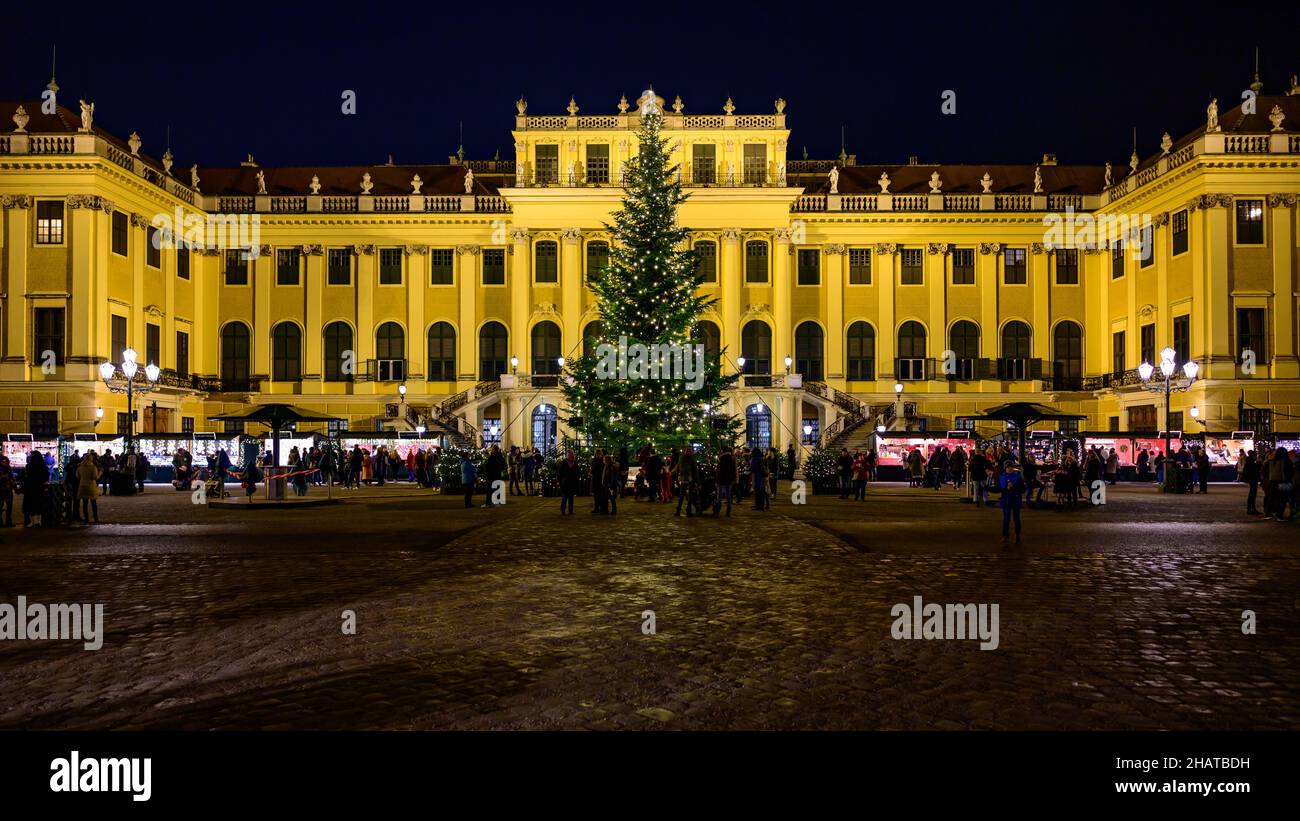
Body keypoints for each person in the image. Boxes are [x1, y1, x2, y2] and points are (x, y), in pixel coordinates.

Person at [998, 460, 1026, 543]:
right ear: (1005, 468)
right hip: (1006, 500)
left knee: (1016, 519)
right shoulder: (1002, 477)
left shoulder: (1017, 477)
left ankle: (1017, 535)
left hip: (1015, 499)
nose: (1009, 469)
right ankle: (1005, 535)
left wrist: (1013, 488)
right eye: (1008, 467)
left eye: (1011, 467)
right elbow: (999, 488)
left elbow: (1023, 489)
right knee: (1006, 519)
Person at [22, 451, 50, 526]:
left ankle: (32, 522)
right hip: (40, 488)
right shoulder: (43, 466)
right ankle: (38, 521)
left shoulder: (29, 466)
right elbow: (46, 478)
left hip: (30, 488)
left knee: (30, 505)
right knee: (39, 504)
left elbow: (27, 477)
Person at [76, 452, 102, 523]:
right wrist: (100, 473)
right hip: (91, 487)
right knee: (93, 503)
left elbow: (77, 476)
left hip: (82, 486)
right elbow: (95, 477)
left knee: (85, 503)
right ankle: (96, 519)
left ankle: (86, 519)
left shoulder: (80, 467)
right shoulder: (93, 467)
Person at [675, 445, 699, 517]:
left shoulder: (681, 458)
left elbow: (677, 468)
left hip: (682, 478)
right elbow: (695, 471)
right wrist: (698, 482)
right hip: (690, 478)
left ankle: (678, 511)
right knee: (690, 495)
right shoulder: (692, 459)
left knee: (681, 495)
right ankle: (688, 511)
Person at [715, 446, 736, 516]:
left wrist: (717, 479)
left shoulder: (721, 458)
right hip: (729, 480)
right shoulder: (732, 458)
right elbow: (733, 470)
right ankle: (728, 511)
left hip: (721, 480)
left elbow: (719, 471)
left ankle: (718, 510)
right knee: (728, 496)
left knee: (719, 496)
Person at [557, 450, 579, 514]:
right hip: (565, 483)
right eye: (570, 455)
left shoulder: (575, 464)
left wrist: (576, 480)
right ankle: (563, 510)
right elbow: (560, 473)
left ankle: (570, 510)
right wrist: (559, 481)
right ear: (567, 456)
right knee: (564, 498)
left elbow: (577, 473)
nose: (572, 457)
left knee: (571, 498)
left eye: (572, 456)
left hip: (572, 483)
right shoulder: (564, 463)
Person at [748, 446, 768, 512]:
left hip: (756, 477)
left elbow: (751, 468)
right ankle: (761, 506)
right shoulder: (762, 458)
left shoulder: (754, 459)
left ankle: (758, 506)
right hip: (762, 477)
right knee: (762, 492)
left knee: (757, 492)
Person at [1243, 449, 1261, 515]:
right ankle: (1251, 509)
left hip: (1251, 479)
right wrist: (1259, 463)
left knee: (1252, 494)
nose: (1256, 457)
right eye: (1256, 456)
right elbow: (1254, 470)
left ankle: (1251, 509)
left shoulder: (1249, 461)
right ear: (1253, 456)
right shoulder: (1251, 462)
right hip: (1252, 479)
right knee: (1252, 494)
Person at [590, 448, 607, 514]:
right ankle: (597, 508)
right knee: (596, 495)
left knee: (601, 495)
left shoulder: (603, 461)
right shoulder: (594, 460)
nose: (598, 455)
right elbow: (593, 469)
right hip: (595, 479)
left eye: (599, 453)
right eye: (597, 454)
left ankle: (601, 508)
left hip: (601, 479)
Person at [0, 454, 14, 527]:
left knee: (9, 507)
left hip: (7, 490)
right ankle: (5, 522)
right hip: (3, 490)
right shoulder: (6, 468)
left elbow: (11, 479)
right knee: (4, 506)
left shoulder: (8, 468)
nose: (6, 462)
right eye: (4, 461)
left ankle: (8, 522)